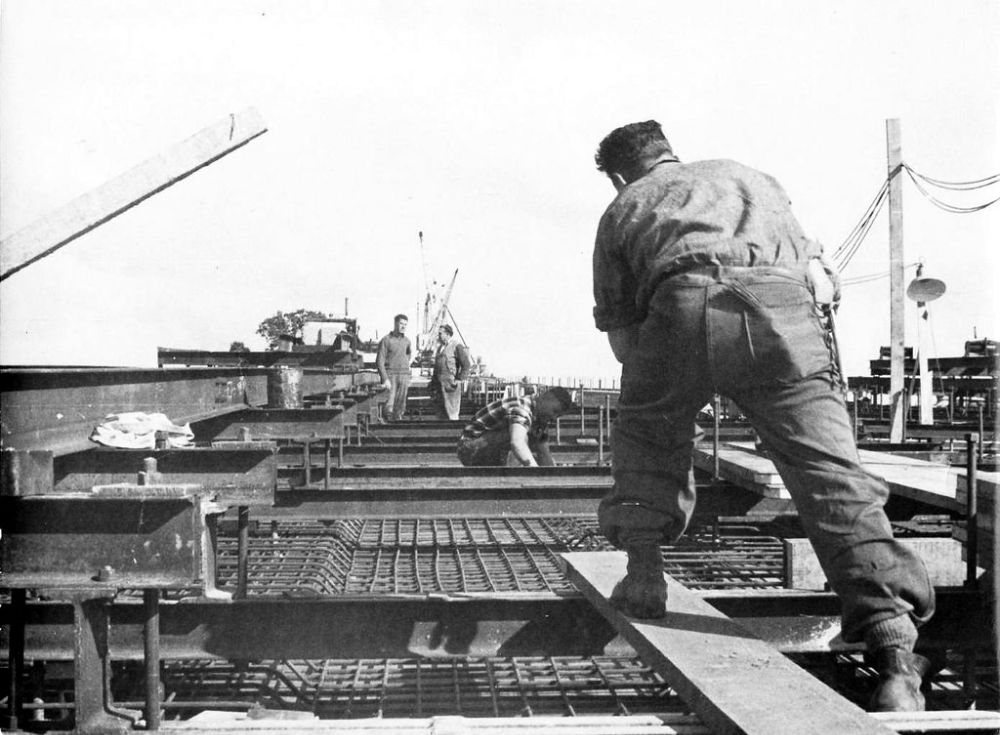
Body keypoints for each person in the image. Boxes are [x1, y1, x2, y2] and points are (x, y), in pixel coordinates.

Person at [591, 120, 935, 712]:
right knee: (830, 473)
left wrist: (671, 372)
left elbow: (624, 342)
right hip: (784, 311)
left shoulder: (625, 205)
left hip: (683, 303)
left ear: (621, 173)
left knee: (648, 432)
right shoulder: (753, 180)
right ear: (669, 152)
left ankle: (644, 577)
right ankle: (895, 653)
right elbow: (816, 276)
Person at [457, 387, 574, 467]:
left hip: (490, 448)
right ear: (546, 398)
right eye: (554, 411)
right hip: (470, 448)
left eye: (558, 415)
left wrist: (553, 477)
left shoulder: (540, 419)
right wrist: (536, 473)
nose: (554, 418)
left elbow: (544, 452)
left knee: (534, 446)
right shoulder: (522, 407)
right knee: (522, 436)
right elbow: (517, 443)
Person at [375, 313, 413, 421]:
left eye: (405, 324)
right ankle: (388, 425)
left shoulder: (407, 341)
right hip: (391, 375)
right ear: (395, 323)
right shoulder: (386, 340)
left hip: (404, 376)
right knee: (389, 405)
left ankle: (399, 421)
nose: (403, 326)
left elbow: (408, 355)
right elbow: (379, 361)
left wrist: (405, 371)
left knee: (400, 405)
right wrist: (385, 378)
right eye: (401, 323)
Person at [431, 325, 472, 420]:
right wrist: (433, 383)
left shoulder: (456, 346)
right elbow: (436, 368)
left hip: (450, 386)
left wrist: (459, 379)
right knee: (441, 414)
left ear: (448, 334)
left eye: (440, 333)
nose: (438, 336)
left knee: (452, 414)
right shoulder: (440, 348)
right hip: (439, 386)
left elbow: (466, 365)